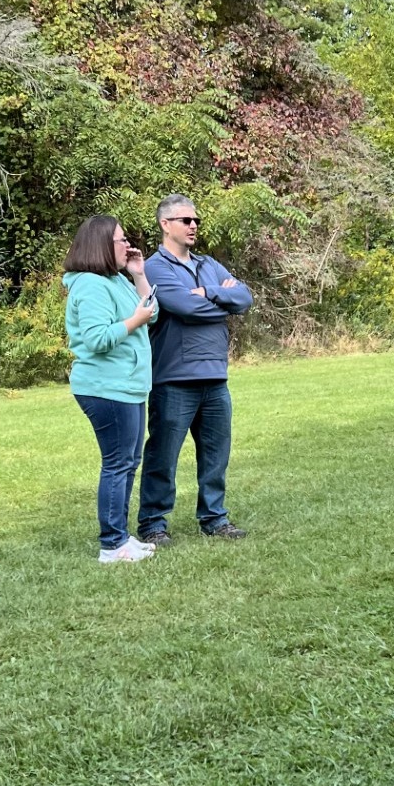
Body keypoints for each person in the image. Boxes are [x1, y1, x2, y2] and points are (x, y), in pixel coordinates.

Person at [136, 194, 255, 545]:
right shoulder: (156, 268)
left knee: (216, 455)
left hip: (216, 378)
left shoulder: (209, 265)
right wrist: (222, 300)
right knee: (163, 456)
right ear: (165, 224)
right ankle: (153, 525)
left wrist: (207, 292)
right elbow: (184, 307)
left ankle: (215, 519)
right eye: (186, 220)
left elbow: (245, 298)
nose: (193, 226)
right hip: (174, 378)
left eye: (196, 220)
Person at [63, 214, 159, 564]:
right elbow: (97, 338)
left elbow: (153, 312)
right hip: (105, 388)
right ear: (102, 244)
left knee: (128, 462)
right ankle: (111, 545)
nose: (128, 245)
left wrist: (138, 274)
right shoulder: (90, 285)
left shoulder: (116, 280)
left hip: (128, 386)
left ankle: (121, 537)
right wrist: (134, 321)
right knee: (117, 463)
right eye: (121, 240)